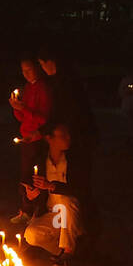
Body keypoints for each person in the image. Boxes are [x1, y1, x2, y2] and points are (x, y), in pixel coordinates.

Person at [37, 48, 99, 195]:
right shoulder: (64, 79)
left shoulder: (65, 82)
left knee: (78, 177)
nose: (42, 68)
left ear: (50, 62)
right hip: (77, 133)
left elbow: (62, 110)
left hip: (79, 134)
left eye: (42, 64)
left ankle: (81, 210)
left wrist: (43, 131)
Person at [22, 124, 84, 265]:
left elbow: (80, 189)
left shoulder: (74, 161)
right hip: (54, 215)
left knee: (66, 200)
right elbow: (28, 184)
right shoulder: (41, 162)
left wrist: (51, 185)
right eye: (63, 136)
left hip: (74, 214)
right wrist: (30, 195)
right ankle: (63, 252)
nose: (68, 138)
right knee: (31, 235)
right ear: (49, 139)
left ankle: (69, 251)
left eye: (68, 135)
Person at [9, 57, 52, 198]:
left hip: (37, 137)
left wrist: (24, 108)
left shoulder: (43, 88)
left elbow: (43, 118)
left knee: (35, 175)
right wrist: (17, 108)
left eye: (29, 70)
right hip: (26, 137)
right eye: (23, 71)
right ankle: (26, 208)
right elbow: (23, 118)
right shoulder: (28, 87)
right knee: (25, 174)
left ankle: (36, 208)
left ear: (37, 68)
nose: (26, 74)